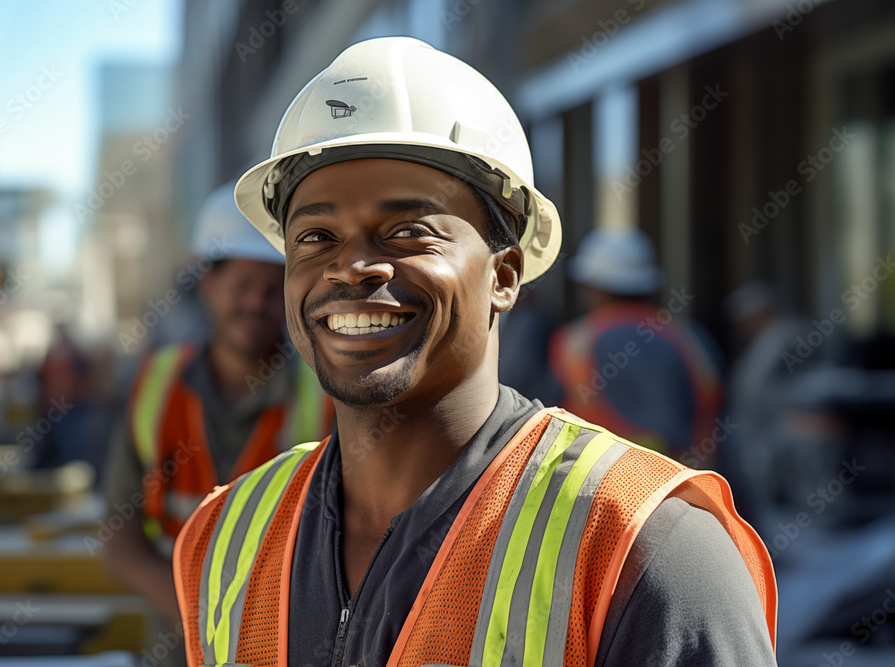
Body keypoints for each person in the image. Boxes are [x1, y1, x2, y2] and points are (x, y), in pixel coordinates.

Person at [172, 37, 777, 667]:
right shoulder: (225, 541)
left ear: (505, 275)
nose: (350, 267)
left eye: (409, 231)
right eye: (316, 237)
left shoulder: (647, 548)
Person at [101, 182, 332, 655]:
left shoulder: (325, 392)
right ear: (208, 285)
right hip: (174, 645)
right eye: (242, 286)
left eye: (272, 289)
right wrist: (196, 621)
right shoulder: (157, 385)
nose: (255, 303)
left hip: (284, 644)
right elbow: (117, 533)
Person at [548, 228, 725, 465]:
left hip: (600, 481)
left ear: (593, 286)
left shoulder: (575, 341)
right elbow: (713, 410)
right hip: (679, 485)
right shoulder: (690, 339)